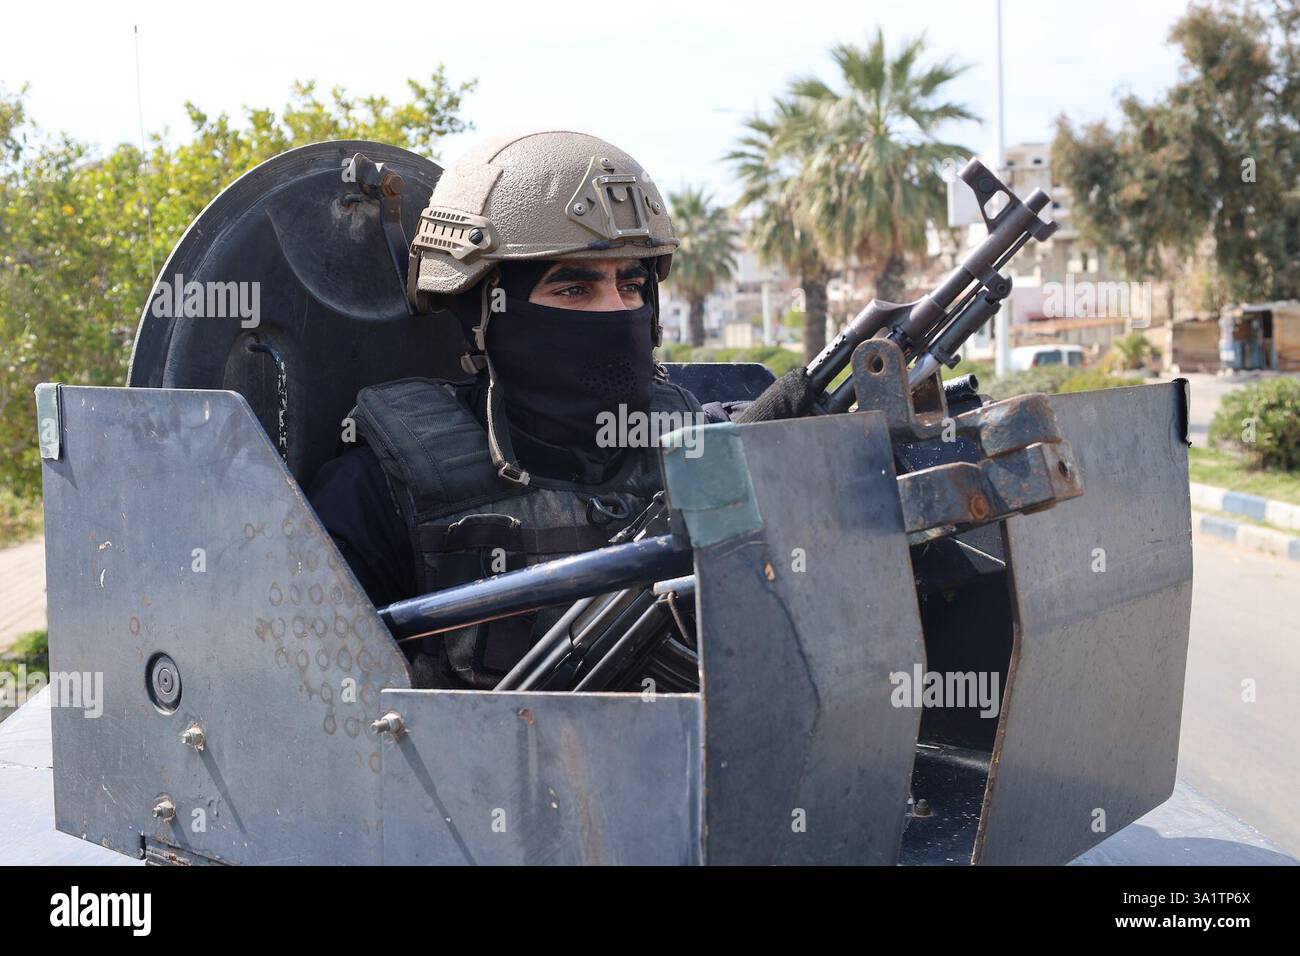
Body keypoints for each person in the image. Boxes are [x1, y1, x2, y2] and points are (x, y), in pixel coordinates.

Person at [308, 131, 708, 689]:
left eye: (632, 285)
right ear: (482, 312)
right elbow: (312, 701)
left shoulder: (697, 448)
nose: (616, 313)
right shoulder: (387, 489)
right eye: (573, 290)